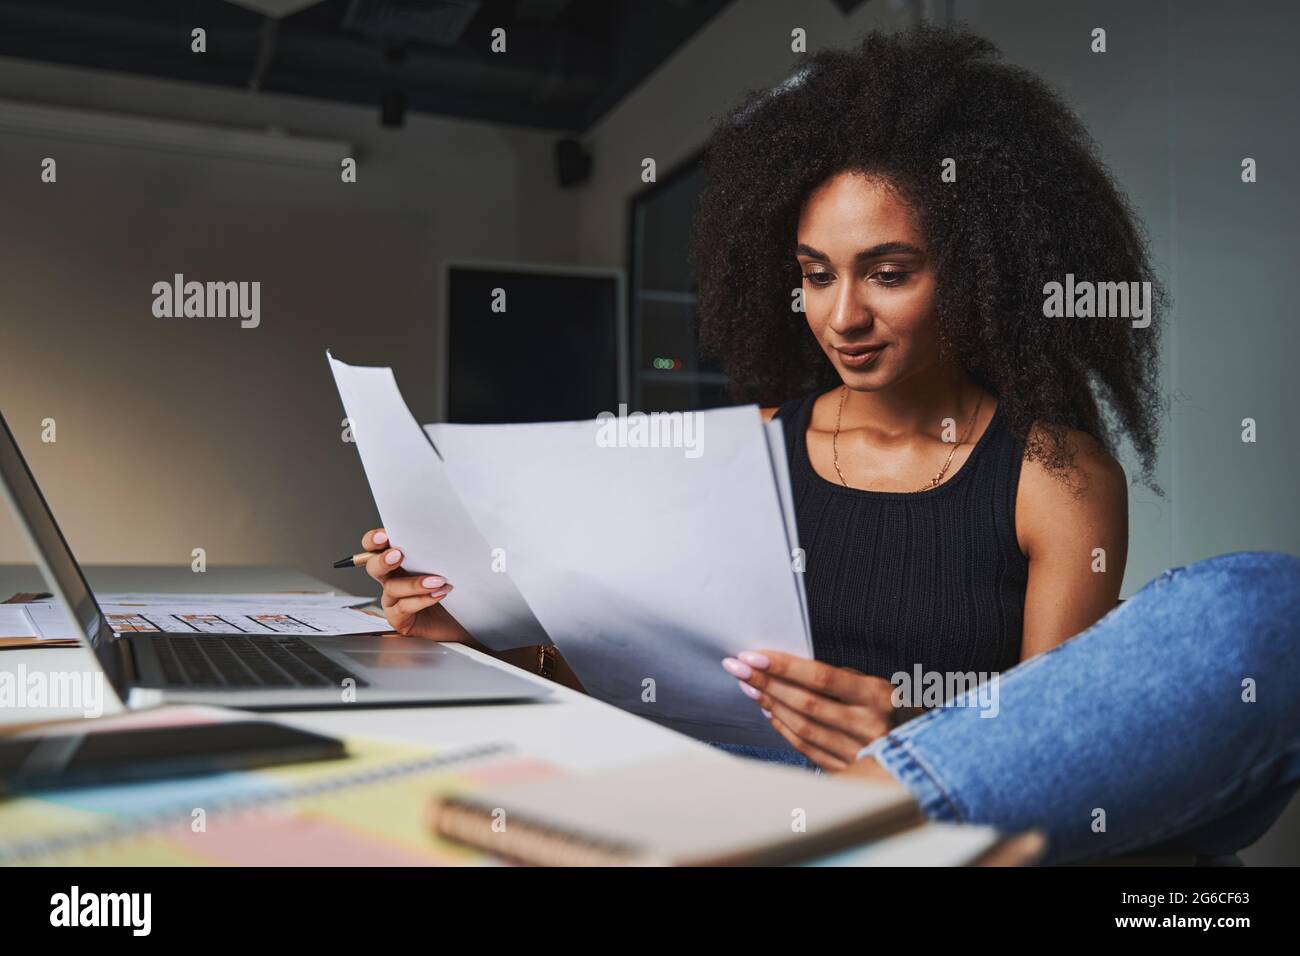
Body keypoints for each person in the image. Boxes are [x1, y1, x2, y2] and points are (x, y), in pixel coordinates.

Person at [357, 26, 1300, 864]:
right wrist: (474, 635)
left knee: (1266, 608)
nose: (842, 316)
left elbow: (1073, 742)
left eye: (889, 274)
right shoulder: (750, 449)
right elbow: (642, 674)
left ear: (977, 273)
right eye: (815, 276)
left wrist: (917, 737)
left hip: (907, 815)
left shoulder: (1055, 474)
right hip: (718, 783)